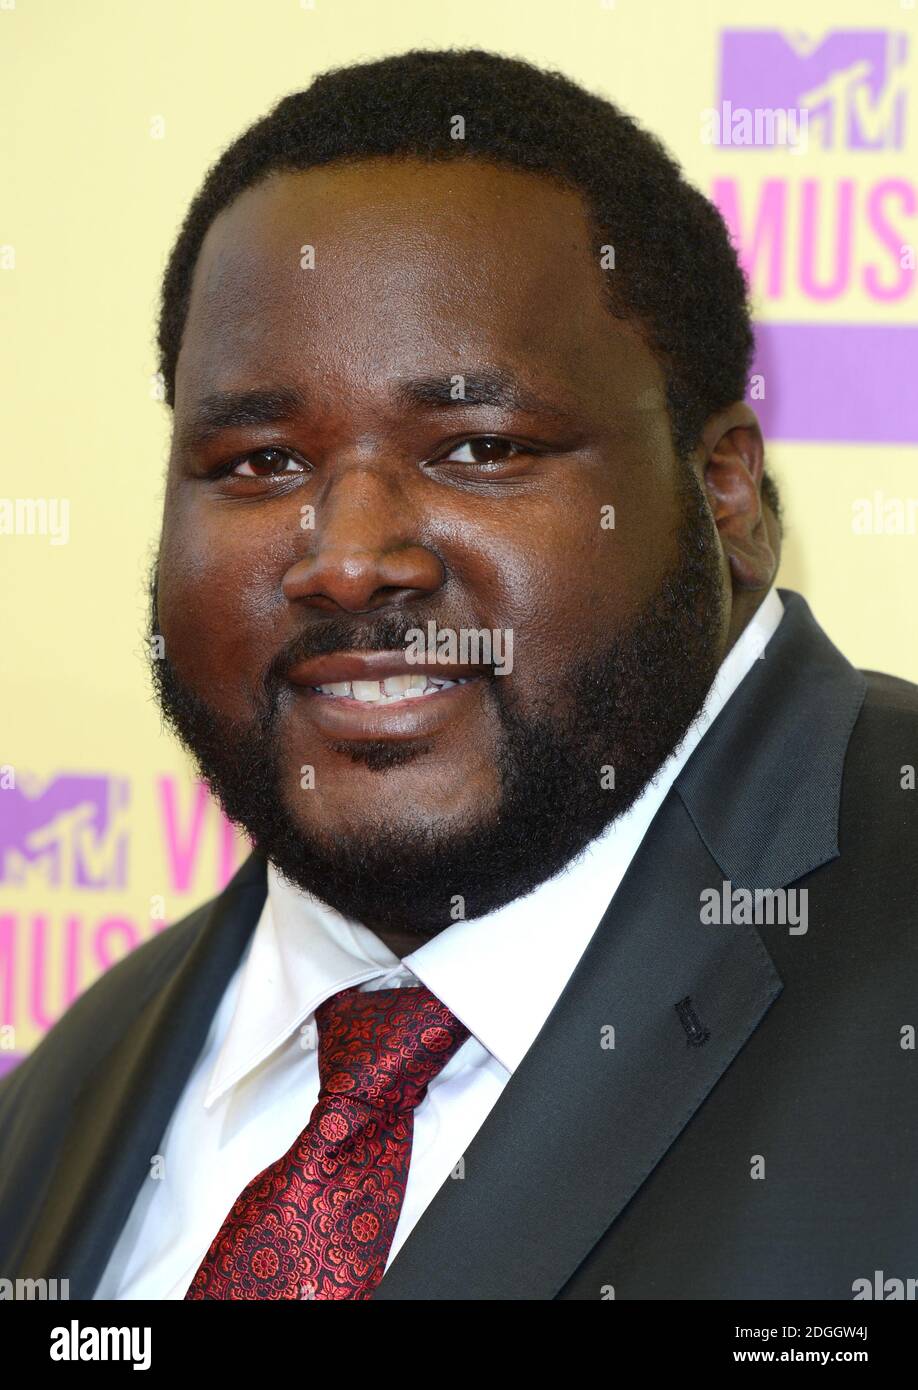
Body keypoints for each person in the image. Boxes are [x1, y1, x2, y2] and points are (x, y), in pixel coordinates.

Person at [1, 49, 915, 1302]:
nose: (350, 558)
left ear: (728, 492)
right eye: (261, 463)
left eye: (481, 446)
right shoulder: (58, 1104)